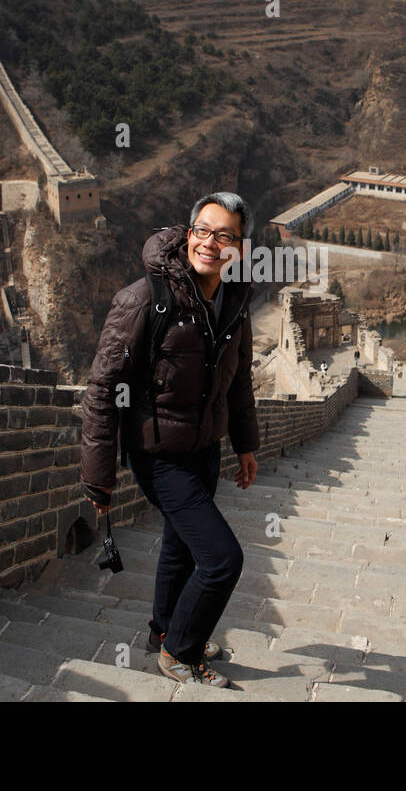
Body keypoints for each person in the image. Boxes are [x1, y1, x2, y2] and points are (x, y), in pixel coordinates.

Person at [79, 193, 259, 688]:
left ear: (239, 249)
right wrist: (97, 475)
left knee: (181, 549)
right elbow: (102, 387)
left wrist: (245, 445)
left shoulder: (234, 301)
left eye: (225, 235)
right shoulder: (145, 298)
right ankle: (180, 651)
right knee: (223, 560)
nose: (210, 242)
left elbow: (238, 379)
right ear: (187, 232)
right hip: (157, 453)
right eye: (202, 229)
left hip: (203, 447)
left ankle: (163, 631)